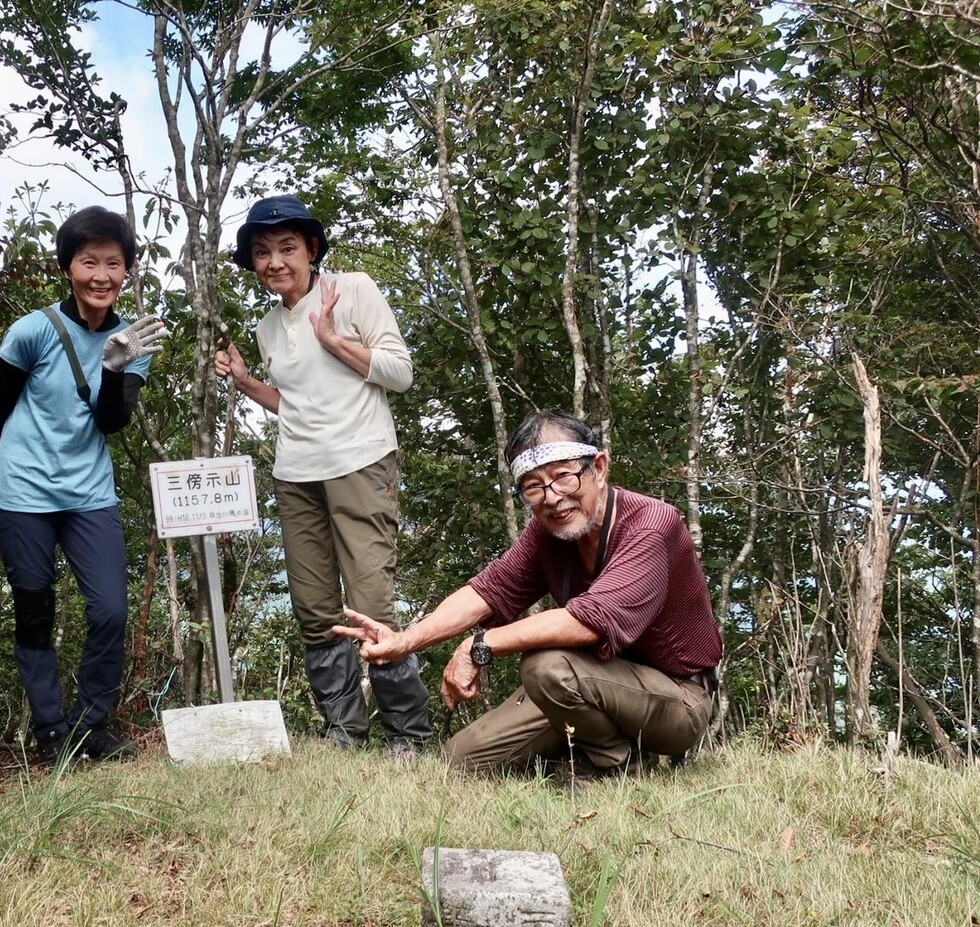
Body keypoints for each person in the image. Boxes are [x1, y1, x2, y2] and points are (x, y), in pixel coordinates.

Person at [334, 410, 721, 774]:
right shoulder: (548, 534)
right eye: (533, 487)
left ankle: (616, 763)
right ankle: (587, 745)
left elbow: (592, 622)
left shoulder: (652, 524)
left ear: (598, 468)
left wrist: (478, 645)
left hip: (676, 697)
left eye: (564, 477)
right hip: (591, 680)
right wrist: (405, 641)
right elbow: (487, 592)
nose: (552, 497)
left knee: (546, 666)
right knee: (461, 760)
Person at [214, 195, 432, 757]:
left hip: (362, 462)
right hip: (296, 473)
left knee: (370, 605)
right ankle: (344, 731)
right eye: (261, 252)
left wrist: (334, 340)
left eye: (287, 248)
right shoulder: (267, 327)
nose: (274, 262)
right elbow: (294, 403)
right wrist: (244, 382)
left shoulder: (353, 289)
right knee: (314, 608)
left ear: (312, 249)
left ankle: (408, 734)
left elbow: (401, 374)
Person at [0, 206, 165, 768]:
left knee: (110, 609)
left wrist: (114, 368)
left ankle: (92, 726)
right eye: (89, 261)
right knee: (34, 608)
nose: (101, 275)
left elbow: (113, 423)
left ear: (128, 270)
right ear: (68, 266)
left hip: (90, 494)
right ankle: (49, 733)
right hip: (23, 494)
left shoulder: (135, 340)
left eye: (114, 263)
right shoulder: (33, 331)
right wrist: (33, 455)